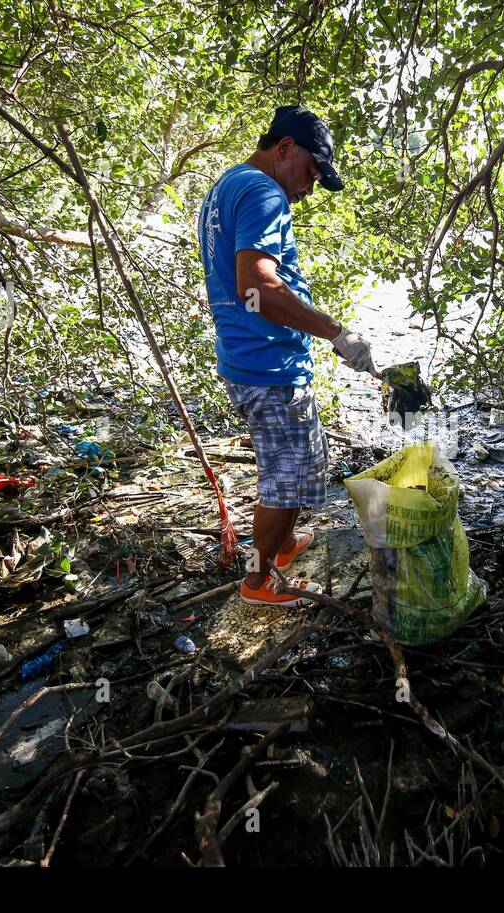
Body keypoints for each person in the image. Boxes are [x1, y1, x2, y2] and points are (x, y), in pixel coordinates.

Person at [198, 105, 376, 608]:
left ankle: (276, 550)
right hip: (267, 365)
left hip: (249, 356)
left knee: (304, 463)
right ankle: (258, 581)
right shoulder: (263, 192)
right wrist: (335, 333)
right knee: (285, 478)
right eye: (312, 170)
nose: (310, 186)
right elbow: (255, 287)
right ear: (284, 148)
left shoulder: (227, 185)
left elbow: (244, 287)